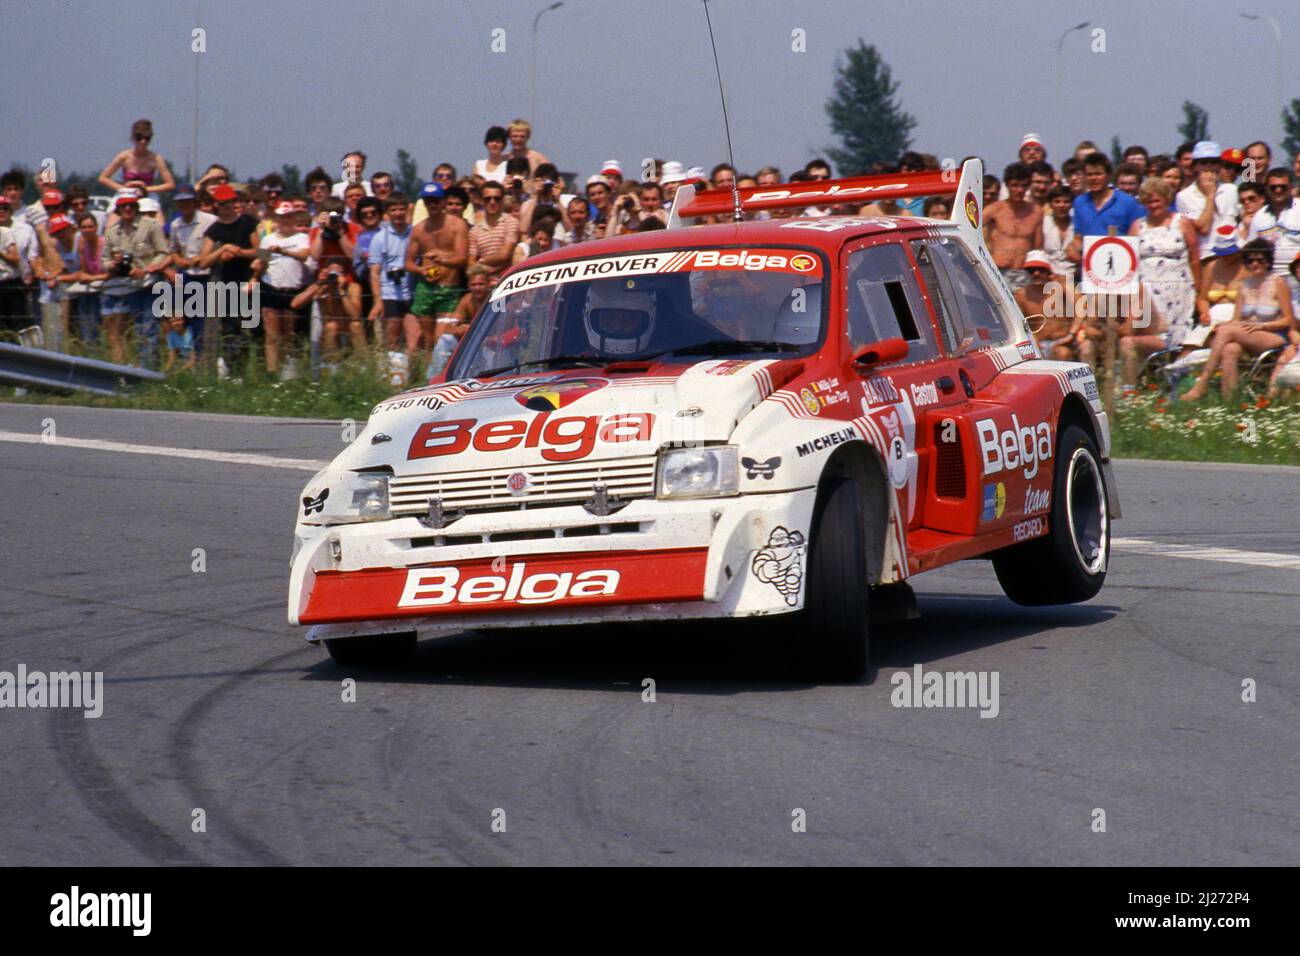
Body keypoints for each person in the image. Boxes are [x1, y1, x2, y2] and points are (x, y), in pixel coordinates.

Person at [1184, 240, 1295, 400]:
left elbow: (1288, 320)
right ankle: (1231, 402)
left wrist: (1262, 326)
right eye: (1250, 261)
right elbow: (1236, 319)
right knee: (1230, 348)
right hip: (1248, 335)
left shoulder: (1277, 282)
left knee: (1227, 331)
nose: (1255, 264)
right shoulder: (1243, 285)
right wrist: (1223, 325)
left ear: (1268, 261)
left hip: (1273, 335)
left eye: (1260, 260)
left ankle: (1201, 385)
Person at [1130, 177, 1199, 348]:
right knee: (1152, 332)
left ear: (1166, 199)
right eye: (1149, 201)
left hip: (1178, 288)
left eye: (1157, 200)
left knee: (1177, 334)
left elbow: (1195, 257)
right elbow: (1129, 261)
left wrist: (1199, 288)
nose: (1153, 205)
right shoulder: (1138, 226)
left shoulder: (1182, 222)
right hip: (1147, 290)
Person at [100, 193, 168, 367]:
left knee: (149, 327)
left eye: (131, 205)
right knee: (137, 329)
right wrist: (112, 265)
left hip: (150, 283)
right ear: (118, 209)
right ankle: (144, 368)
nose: (128, 209)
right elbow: (104, 259)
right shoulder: (110, 232)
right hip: (128, 286)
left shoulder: (151, 226)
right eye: (124, 206)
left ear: (136, 207)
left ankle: (150, 369)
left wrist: (147, 269)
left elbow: (163, 252)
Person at [198, 183, 260, 370]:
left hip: (249, 281)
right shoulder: (214, 230)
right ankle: (234, 369)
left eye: (231, 202)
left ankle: (259, 368)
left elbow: (262, 252)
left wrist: (240, 253)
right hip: (227, 284)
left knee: (254, 328)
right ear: (216, 205)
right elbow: (203, 261)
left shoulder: (248, 222)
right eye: (223, 203)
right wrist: (222, 250)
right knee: (230, 329)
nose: (228, 207)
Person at [406, 182, 469, 362]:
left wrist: (443, 261)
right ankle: (428, 382)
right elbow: (408, 263)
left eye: (435, 201)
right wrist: (421, 270)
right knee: (427, 341)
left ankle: (439, 378)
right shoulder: (418, 230)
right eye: (428, 201)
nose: (432, 205)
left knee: (441, 339)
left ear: (443, 202)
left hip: (448, 289)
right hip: (426, 289)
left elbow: (462, 258)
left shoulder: (457, 225)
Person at [251, 202, 311, 374]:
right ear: (276, 218)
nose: (285, 220)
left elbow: (304, 255)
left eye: (289, 216)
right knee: (271, 333)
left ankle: (286, 370)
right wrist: (256, 270)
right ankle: (271, 371)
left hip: (292, 290)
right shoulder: (268, 239)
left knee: (288, 332)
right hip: (271, 288)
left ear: (293, 218)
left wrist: (284, 252)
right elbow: (261, 262)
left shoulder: (301, 238)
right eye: (281, 217)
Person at [164, 184, 214, 355]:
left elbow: (215, 246)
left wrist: (201, 258)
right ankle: (181, 356)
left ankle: (202, 358)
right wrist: (180, 261)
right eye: (180, 202)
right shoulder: (176, 225)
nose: (184, 205)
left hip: (206, 276)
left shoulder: (209, 220)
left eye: (187, 201)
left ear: (194, 201)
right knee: (179, 317)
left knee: (203, 320)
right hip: (187, 275)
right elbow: (173, 250)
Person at [1069, 153, 1143, 264]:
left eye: (1098, 174)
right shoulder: (1079, 202)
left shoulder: (1127, 201)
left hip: (1120, 263)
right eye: (1089, 175)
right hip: (1089, 265)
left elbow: (1135, 237)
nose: (1093, 178)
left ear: (1108, 176)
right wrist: (1073, 248)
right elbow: (1078, 237)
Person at [291, 258, 362, 366]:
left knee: (356, 325)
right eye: (332, 273)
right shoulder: (322, 287)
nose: (334, 277)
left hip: (348, 331)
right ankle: (331, 367)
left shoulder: (353, 287)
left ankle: (363, 367)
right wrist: (319, 283)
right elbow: (295, 304)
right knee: (332, 326)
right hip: (329, 332)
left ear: (345, 274)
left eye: (338, 273)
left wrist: (342, 291)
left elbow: (355, 316)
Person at [1175, 142, 1240, 261]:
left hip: (1231, 255)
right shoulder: (1184, 196)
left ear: (1219, 166)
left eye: (1213, 162)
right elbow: (1203, 228)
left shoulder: (1231, 190)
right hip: (1206, 256)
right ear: (1195, 166)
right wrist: (1210, 195)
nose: (1209, 167)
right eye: (1203, 163)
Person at [367, 192, 415, 350]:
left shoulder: (415, 233)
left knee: (414, 342)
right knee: (392, 342)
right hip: (390, 294)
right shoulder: (379, 238)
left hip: (412, 293)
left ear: (407, 210)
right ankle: (393, 373)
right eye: (393, 210)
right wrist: (378, 301)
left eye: (401, 209)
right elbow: (374, 272)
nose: (398, 214)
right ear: (387, 213)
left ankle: (413, 373)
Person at [984, 163, 1042, 290]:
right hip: (998, 270)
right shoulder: (994, 209)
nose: (1019, 190)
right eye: (1015, 185)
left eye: (1023, 185)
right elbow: (972, 231)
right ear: (1007, 185)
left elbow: (1038, 248)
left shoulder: (1036, 212)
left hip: (1023, 273)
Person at [1015, 251, 1073, 360]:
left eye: (1041, 270)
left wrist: (1072, 334)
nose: (1036, 274)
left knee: (1063, 353)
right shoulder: (1021, 295)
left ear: (1048, 272)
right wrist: (1031, 339)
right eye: (1031, 270)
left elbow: (1081, 309)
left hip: (1061, 341)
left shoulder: (1061, 288)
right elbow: (1017, 322)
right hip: (1036, 343)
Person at [97, 119, 175, 196]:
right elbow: (103, 178)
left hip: (148, 195)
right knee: (112, 208)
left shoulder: (156, 159)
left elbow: (170, 184)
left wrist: (146, 189)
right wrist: (122, 188)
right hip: (126, 194)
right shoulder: (124, 156)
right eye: (139, 137)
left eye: (147, 138)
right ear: (133, 138)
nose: (143, 141)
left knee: (155, 208)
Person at [1039, 185, 1077, 276]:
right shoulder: (1043, 224)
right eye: (1057, 202)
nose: (1061, 205)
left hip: (1075, 275)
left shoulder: (1078, 224)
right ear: (1050, 204)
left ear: (1072, 204)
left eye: (1066, 202)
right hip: (1049, 276)